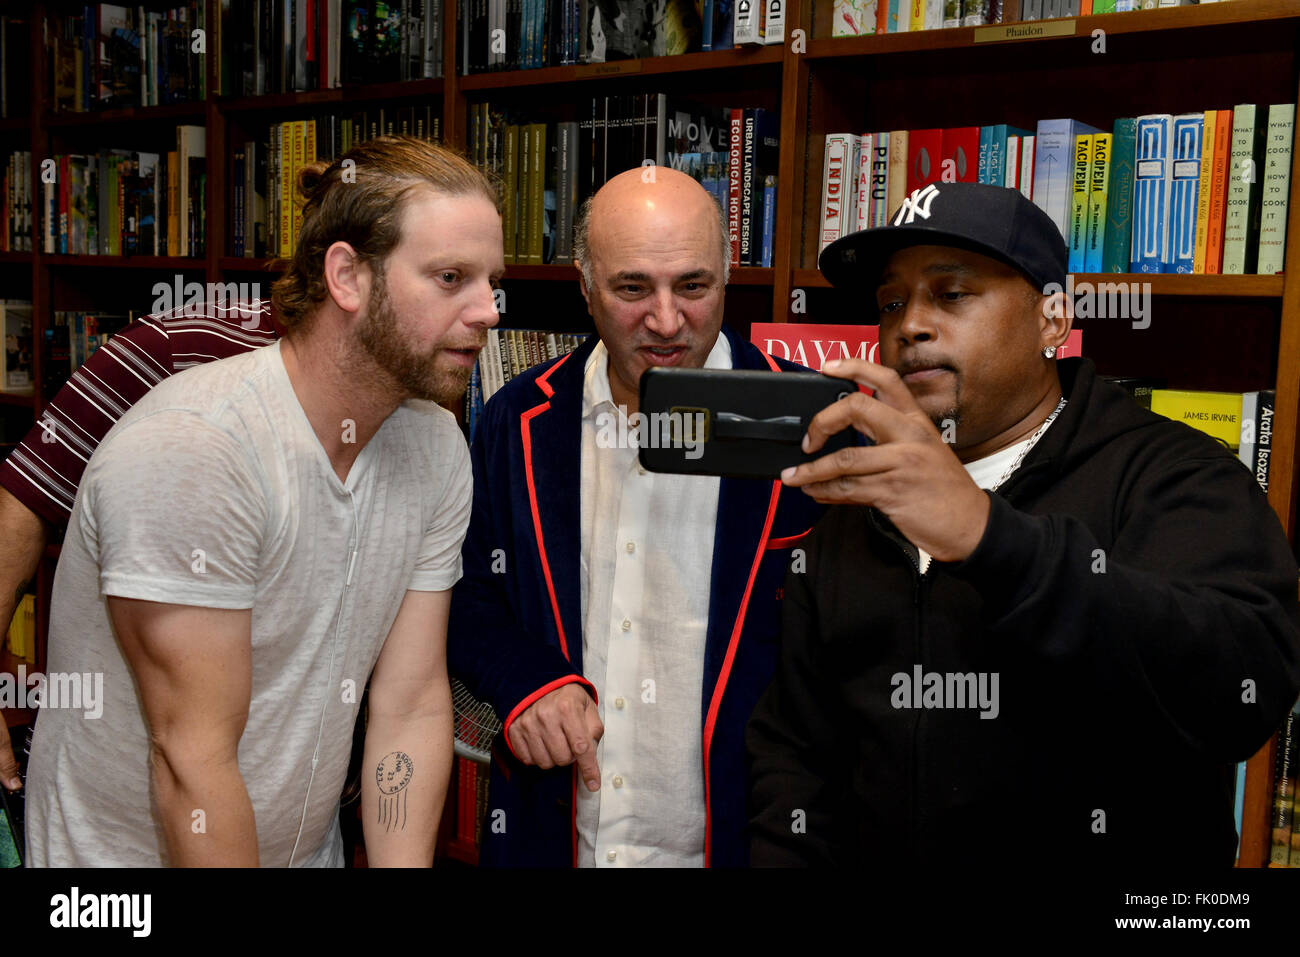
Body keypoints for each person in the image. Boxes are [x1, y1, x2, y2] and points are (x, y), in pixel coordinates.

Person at [747, 181, 1300, 866]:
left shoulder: (1173, 474)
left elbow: (1242, 689)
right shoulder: (857, 505)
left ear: (1052, 319)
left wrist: (989, 537)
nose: (910, 325)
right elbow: (796, 751)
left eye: (951, 294)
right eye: (892, 302)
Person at [24, 136, 502, 866]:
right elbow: (191, 763)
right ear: (347, 275)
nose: (488, 310)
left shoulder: (435, 447)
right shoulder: (197, 448)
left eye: (489, 280)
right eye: (449, 278)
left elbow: (410, 708)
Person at [448, 166, 825, 867]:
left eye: (693, 285)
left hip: (743, 844)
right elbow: (465, 593)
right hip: (555, 837)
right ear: (585, 285)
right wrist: (526, 677)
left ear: (728, 274)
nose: (666, 320)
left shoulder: (806, 420)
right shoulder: (517, 421)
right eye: (632, 288)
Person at [0, 304, 279, 796]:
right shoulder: (175, 348)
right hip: (118, 789)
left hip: (298, 799)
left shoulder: (416, 407)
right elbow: (28, 497)